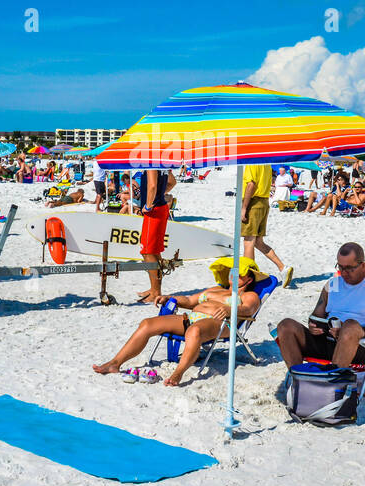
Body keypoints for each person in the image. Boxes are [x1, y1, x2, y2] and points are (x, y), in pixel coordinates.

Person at [94, 257, 264, 386]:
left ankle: (178, 374)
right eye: (232, 271)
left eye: (239, 273)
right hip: (191, 318)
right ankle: (114, 364)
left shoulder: (249, 295)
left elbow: (249, 310)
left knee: (194, 331)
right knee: (147, 324)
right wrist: (169, 298)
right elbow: (190, 301)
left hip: (220, 324)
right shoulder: (215, 289)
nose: (233, 274)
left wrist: (230, 309)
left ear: (249, 279)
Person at [276, 242, 365, 370]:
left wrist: (353, 332)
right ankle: (298, 378)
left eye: (349, 268)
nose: (343, 273)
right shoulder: (332, 285)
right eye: (340, 267)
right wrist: (313, 326)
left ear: (363, 265)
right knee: (285, 325)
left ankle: (333, 383)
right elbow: (316, 316)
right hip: (326, 342)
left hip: (359, 347)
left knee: (350, 326)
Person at [242, 164, 292, 288]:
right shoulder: (266, 163)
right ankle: (283, 268)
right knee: (258, 242)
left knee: (248, 241)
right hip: (264, 202)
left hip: (254, 203)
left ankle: (248, 278)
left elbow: (251, 185)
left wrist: (244, 207)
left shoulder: (252, 163)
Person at [136, 168, 176, 302]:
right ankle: (154, 288)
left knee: (147, 251)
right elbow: (172, 182)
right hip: (161, 208)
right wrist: (160, 194)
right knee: (155, 251)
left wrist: (148, 205)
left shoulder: (151, 163)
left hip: (154, 210)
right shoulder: (162, 163)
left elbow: (152, 185)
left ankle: (155, 291)